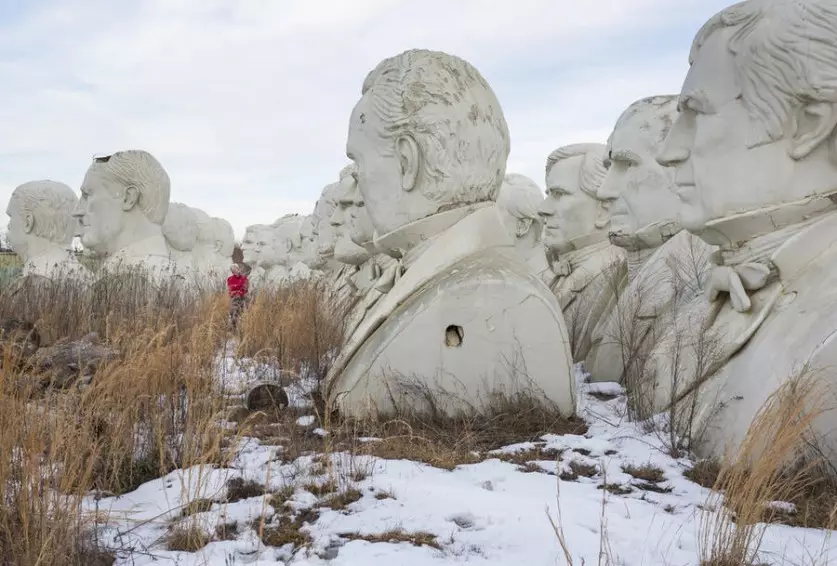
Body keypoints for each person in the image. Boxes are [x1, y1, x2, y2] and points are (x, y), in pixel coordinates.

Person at [226, 263, 249, 329]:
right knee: (233, 312)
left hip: (242, 298)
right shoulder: (229, 279)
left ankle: (240, 327)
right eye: (233, 271)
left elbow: (245, 289)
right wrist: (237, 290)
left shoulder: (244, 278)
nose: (234, 272)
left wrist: (237, 291)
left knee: (241, 313)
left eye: (236, 269)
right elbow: (230, 290)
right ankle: (234, 327)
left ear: (238, 269)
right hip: (234, 298)